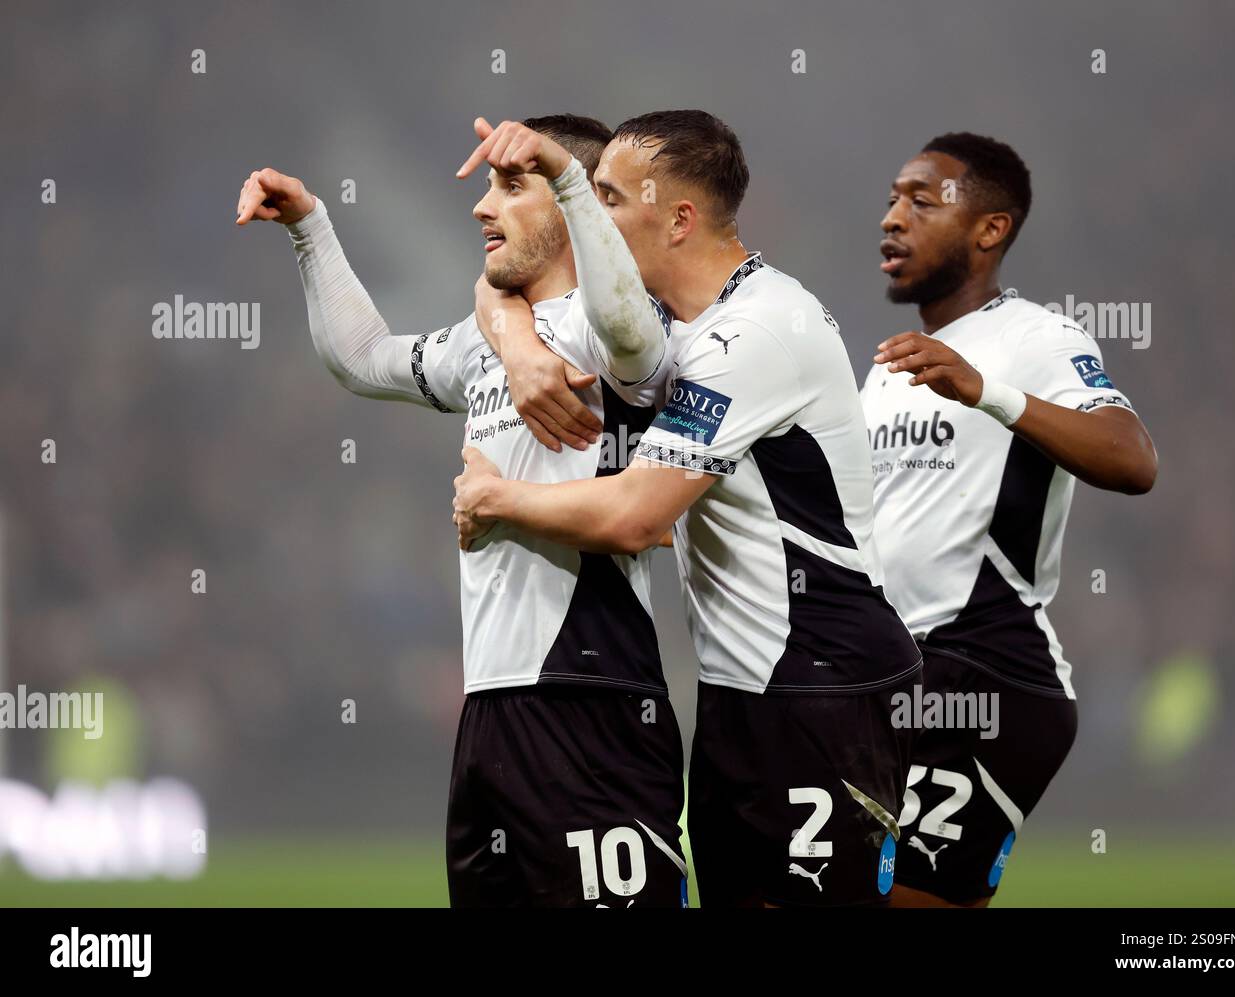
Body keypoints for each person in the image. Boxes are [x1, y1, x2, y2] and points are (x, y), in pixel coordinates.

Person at [454, 111, 920, 907]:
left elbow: (638, 515)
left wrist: (498, 497)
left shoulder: (758, 331)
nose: (585, 219)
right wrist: (521, 345)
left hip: (821, 686)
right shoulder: (677, 329)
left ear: (679, 219)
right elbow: (498, 291)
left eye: (605, 198)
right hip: (739, 691)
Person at [234, 114, 687, 907]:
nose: (483, 206)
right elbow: (365, 358)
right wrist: (311, 227)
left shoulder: (622, 332)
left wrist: (571, 183)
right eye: (487, 187)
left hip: (592, 699)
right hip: (491, 714)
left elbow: (622, 319)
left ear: (575, 205)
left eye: (511, 185)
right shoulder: (487, 344)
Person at [862, 132, 1158, 906]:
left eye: (921, 201)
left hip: (988, 674)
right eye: (892, 198)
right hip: (892, 681)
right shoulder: (890, 365)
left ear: (991, 229)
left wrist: (990, 391)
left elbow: (1134, 459)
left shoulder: (1038, 338)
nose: (893, 217)